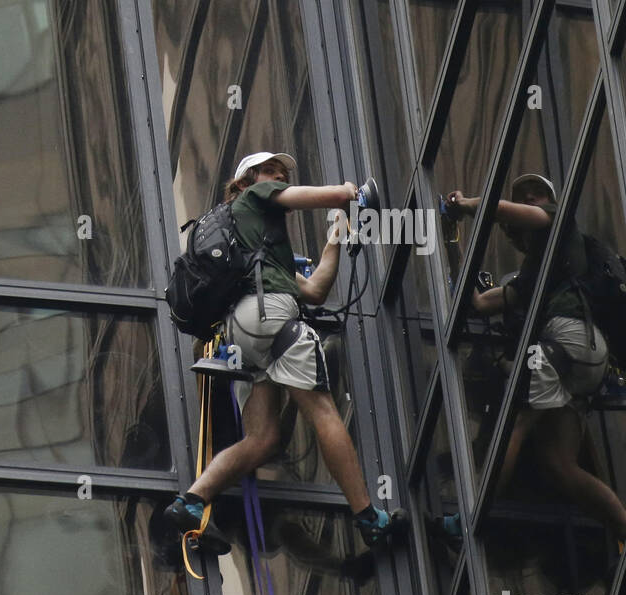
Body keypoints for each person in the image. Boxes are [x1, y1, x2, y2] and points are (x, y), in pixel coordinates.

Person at [164, 151, 399, 553]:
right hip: (271, 315)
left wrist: (336, 234)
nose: (279, 177)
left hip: (243, 331)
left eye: (283, 173)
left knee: (264, 437)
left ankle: (191, 500)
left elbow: (314, 290)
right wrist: (350, 193)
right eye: (271, 172)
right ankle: (368, 517)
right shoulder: (254, 197)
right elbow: (311, 196)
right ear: (243, 182)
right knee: (321, 407)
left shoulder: (254, 246)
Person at [447, 174, 626, 544]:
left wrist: (464, 206)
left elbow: (500, 209)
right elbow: (481, 302)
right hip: (582, 359)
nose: (531, 198)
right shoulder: (535, 275)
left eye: (537, 193)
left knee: (515, 423)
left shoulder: (557, 220)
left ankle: (469, 520)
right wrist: (453, 241)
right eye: (524, 197)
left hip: (566, 339)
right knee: (558, 464)